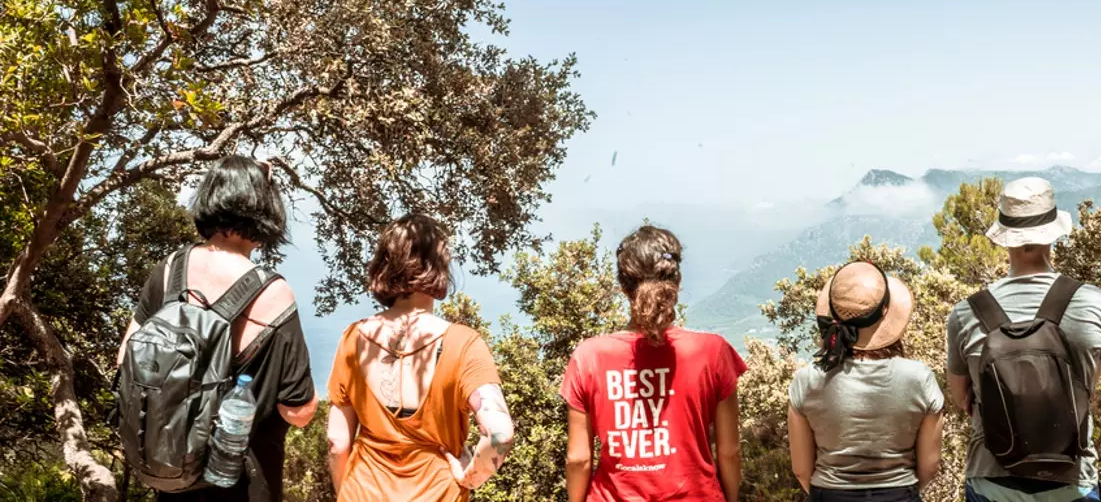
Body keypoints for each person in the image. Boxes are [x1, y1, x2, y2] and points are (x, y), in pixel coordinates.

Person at [117, 155, 319, 502]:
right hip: (244, 485)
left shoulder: (168, 271)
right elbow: (297, 411)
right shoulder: (273, 293)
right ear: (266, 209)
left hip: (173, 476)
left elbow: (125, 358)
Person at [946, 177, 1101, 502]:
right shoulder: (1097, 303)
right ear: (1053, 233)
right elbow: (1089, 384)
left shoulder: (966, 314)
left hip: (991, 482)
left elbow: (963, 399)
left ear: (1004, 238)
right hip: (1073, 482)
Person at [326, 214, 514, 501]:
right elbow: (500, 434)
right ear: (439, 267)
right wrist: (470, 477)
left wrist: (345, 492)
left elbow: (337, 443)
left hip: (362, 491)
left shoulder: (353, 339)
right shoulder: (463, 344)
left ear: (384, 266)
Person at [560, 225, 748, 502]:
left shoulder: (589, 356)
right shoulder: (713, 351)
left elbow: (578, 459)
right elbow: (729, 452)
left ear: (623, 287)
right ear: (676, 282)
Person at [787, 260, 944, 502]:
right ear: (886, 313)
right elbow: (929, 466)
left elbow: (801, 469)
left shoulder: (807, 380)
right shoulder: (919, 378)